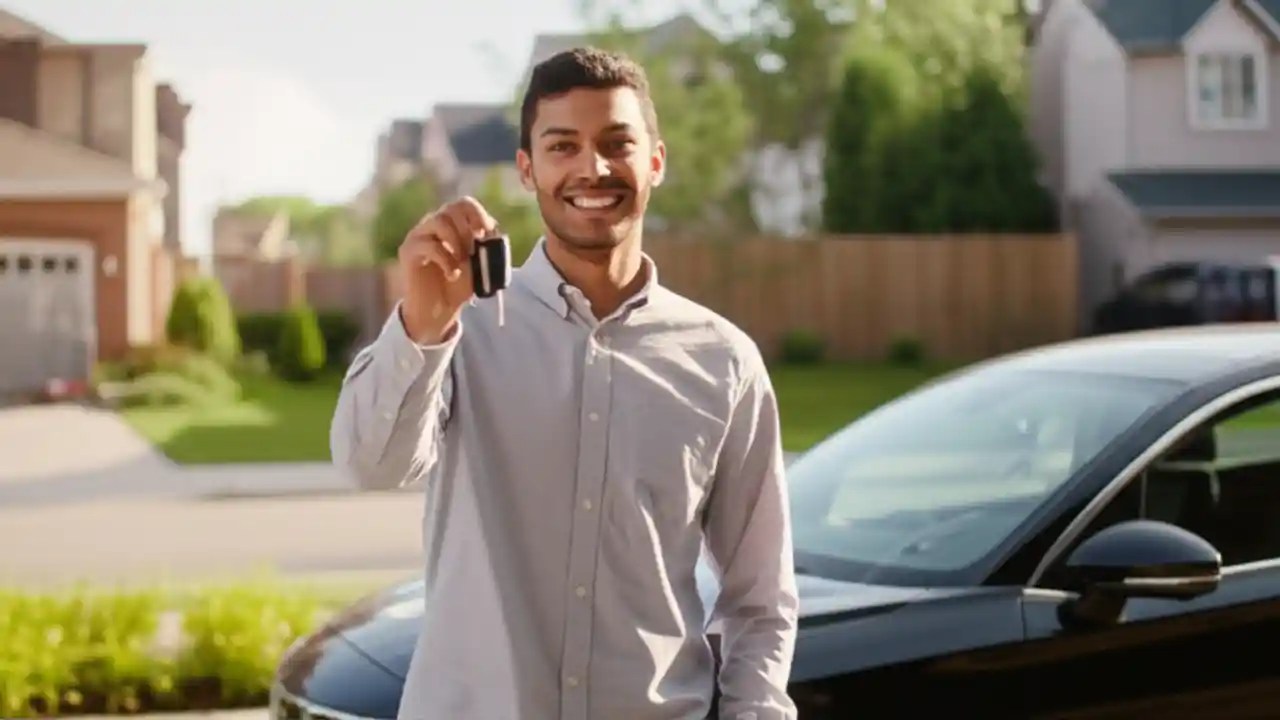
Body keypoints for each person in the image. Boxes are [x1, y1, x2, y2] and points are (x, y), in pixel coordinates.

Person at [330, 46, 798, 720]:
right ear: (527, 168)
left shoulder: (724, 363)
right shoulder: (457, 333)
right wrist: (420, 329)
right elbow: (369, 465)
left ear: (656, 161)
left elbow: (761, 598)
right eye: (562, 146)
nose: (592, 168)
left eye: (616, 143)